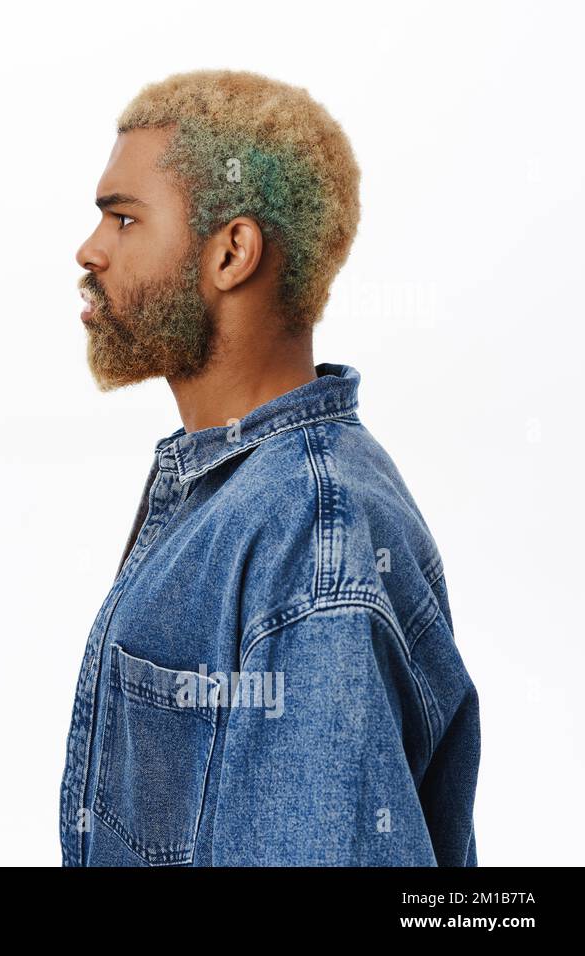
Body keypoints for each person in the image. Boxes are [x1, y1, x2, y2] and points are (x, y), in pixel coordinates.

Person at [59, 69, 480, 866]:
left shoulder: (307, 537)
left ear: (232, 252)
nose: (89, 251)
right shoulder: (239, 494)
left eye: (122, 219)